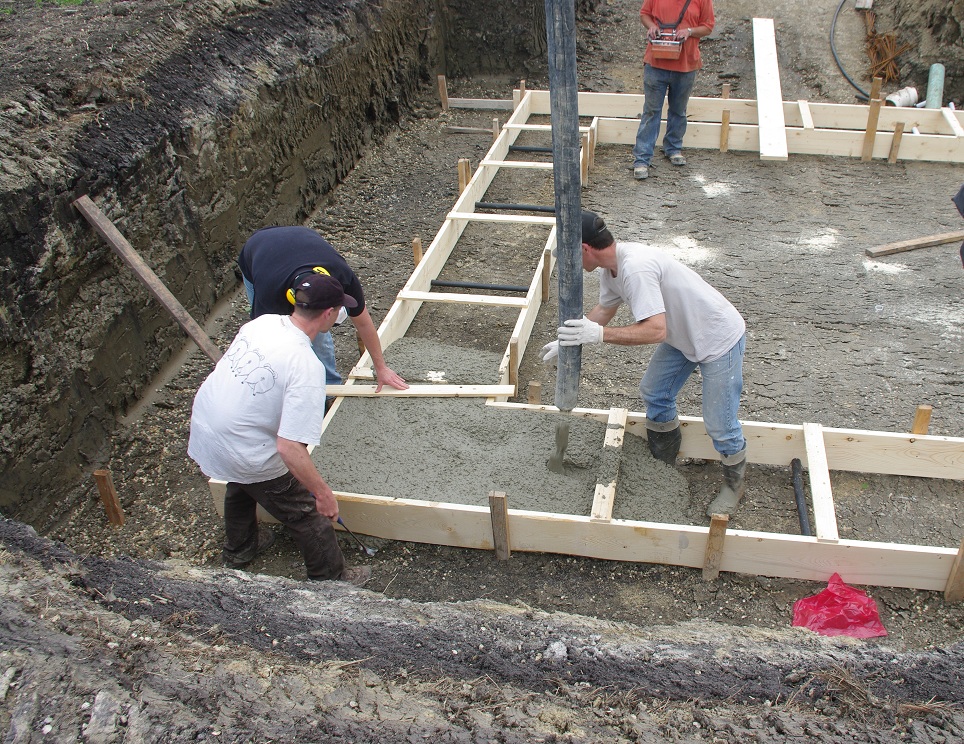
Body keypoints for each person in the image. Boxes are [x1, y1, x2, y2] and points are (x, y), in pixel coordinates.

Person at [541, 211, 748, 517]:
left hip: (718, 337)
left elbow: (655, 330)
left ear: (584, 248)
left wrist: (598, 335)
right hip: (685, 337)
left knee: (720, 423)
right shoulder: (609, 270)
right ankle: (663, 460)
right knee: (655, 391)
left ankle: (734, 486)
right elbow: (605, 309)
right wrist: (570, 339)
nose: (569, 264)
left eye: (569, 255)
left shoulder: (634, 268)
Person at [188, 273, 371, 584]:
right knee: (305, 513)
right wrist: (323, 493)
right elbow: (289, 447)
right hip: (243, 444)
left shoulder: (263, 322)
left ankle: (240, 549)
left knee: (240, 482)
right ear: (328, 314)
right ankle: (331, 578)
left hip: (208, 427)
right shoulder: (305, 364)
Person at [237, 225, 408, 393]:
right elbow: (262, 341)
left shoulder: (344, 277)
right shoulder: (269, 298)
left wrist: (381, 368)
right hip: (258, 250)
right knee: (283, 338)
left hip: (301, 238)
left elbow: (363, 323)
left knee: (317, 337)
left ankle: (329, 387)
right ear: (327, 313)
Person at [632, 0, 715, 180]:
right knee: (651, 111)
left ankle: (673, 148)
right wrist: (652, 26)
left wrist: (690, 31)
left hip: (686, 65)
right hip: (656, 63)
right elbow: (644, 14)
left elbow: (708, 26)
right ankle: (642, 159)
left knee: (678, 109)